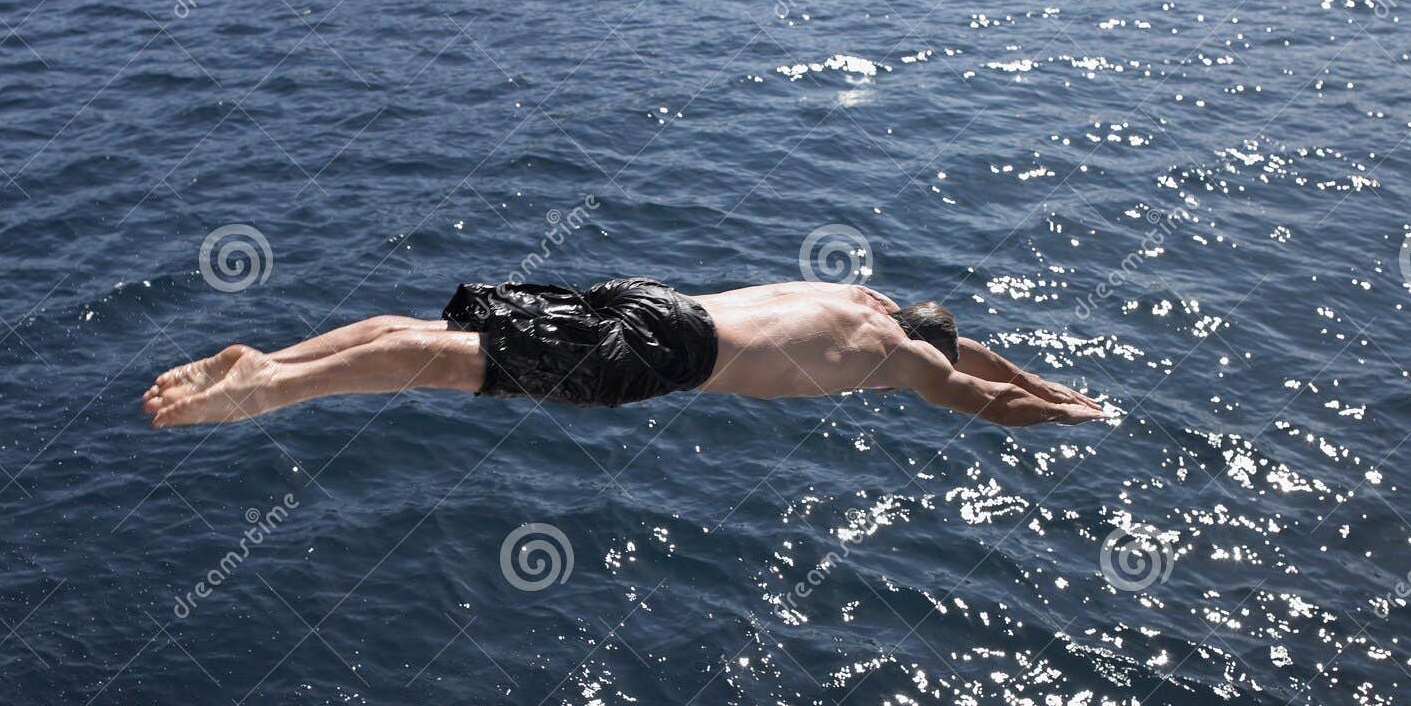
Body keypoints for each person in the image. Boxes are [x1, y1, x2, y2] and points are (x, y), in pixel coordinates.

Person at [142, 278, 1105, 429]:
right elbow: (982, 397)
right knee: (456, 365)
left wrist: (1038, 369)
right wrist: (1063, 409)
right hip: (663, 349)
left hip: (651, 296)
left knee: (432, 334)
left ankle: (273, 354)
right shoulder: (907, 361)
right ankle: (272, 387)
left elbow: (968, 343)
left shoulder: (862, 299)